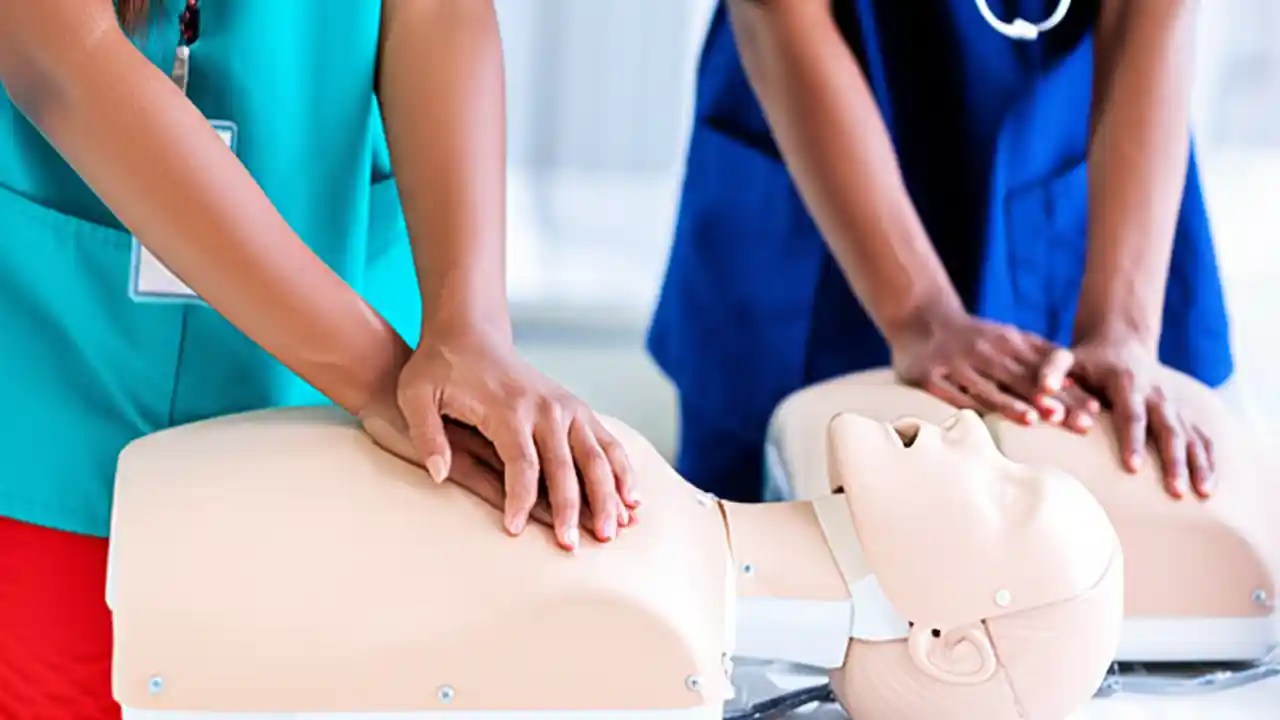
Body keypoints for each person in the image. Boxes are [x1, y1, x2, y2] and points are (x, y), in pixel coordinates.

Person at [0, 1, 637, 716]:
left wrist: (471, 332)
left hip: (352, 323)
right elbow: (61, 54)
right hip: (53, 367)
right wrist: (380, 381)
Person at [650, 0, 1231, 503]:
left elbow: (1151, 11)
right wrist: (918, 311)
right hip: (815, 100)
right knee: (766, 547)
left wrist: (1123, 328)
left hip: (1077, 123)